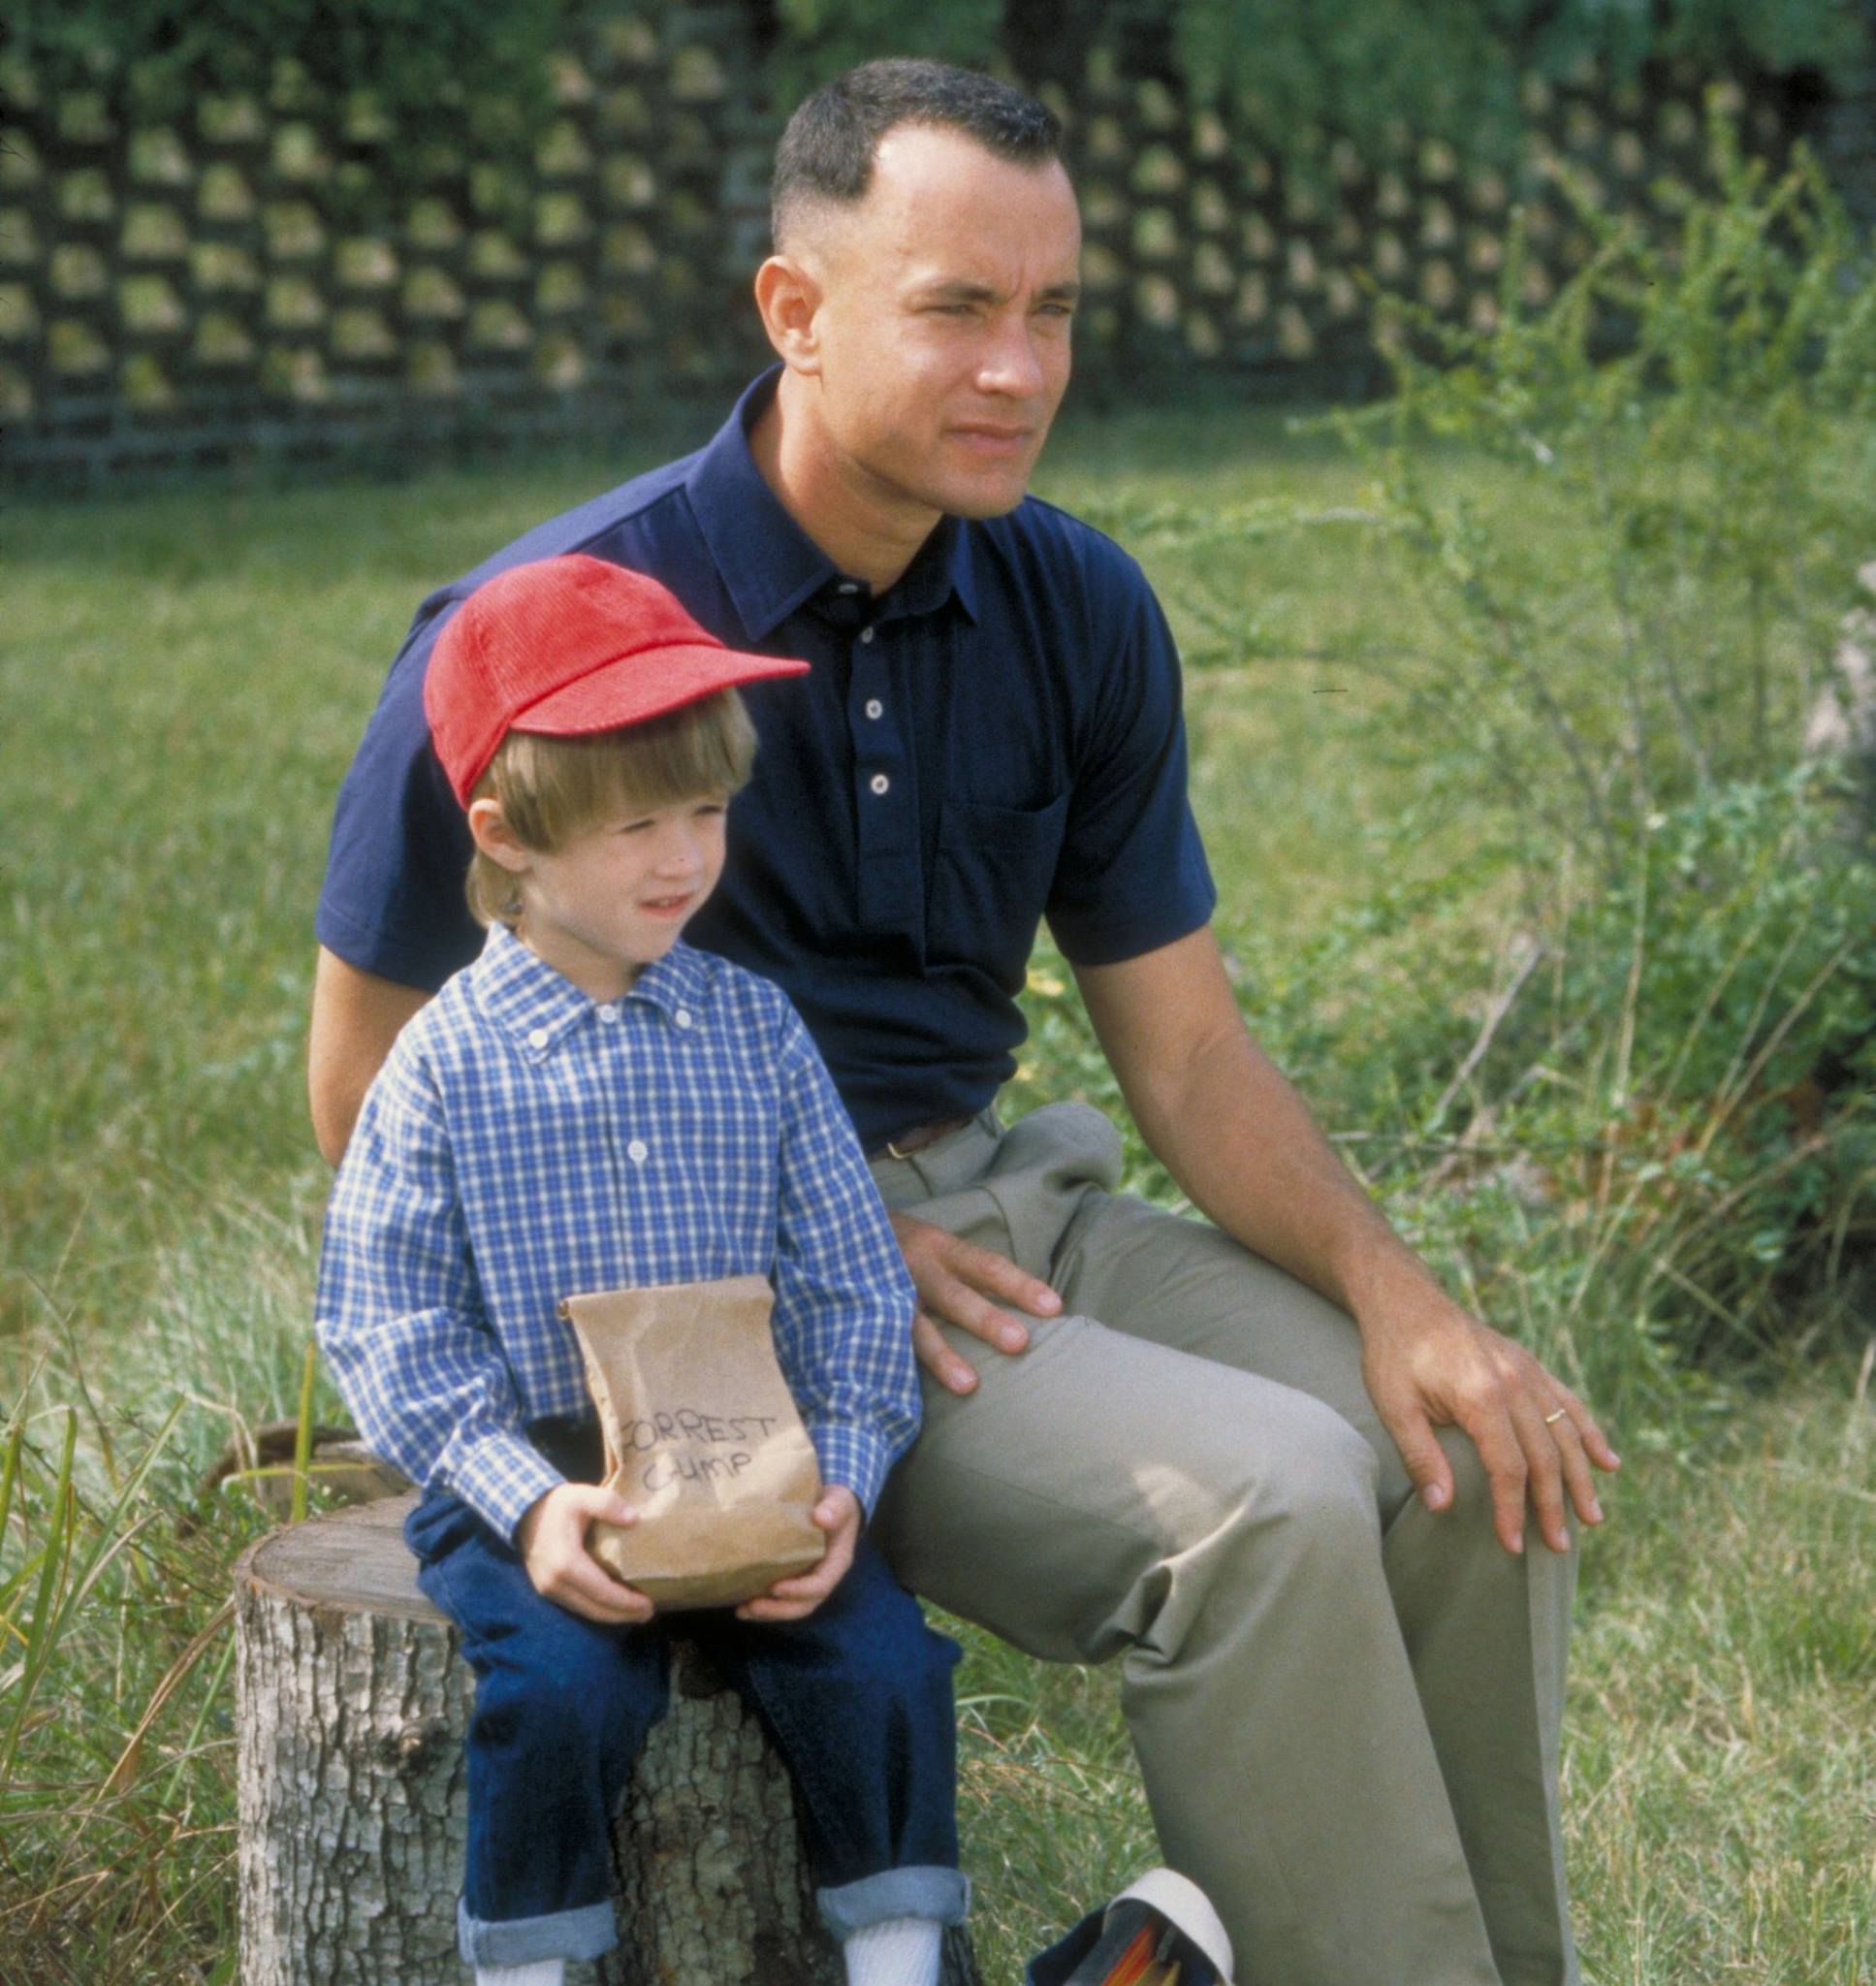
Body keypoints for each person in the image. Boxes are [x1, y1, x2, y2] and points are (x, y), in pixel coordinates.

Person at [309, 58, 1620, 1986]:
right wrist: (784, 1244)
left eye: (1053, 310)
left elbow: (1180, 1053)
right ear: (794, 311)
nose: (1017, 367)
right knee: (1256, 1509)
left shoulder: (1073, 603)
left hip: (1013, 1213)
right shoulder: (553, 632)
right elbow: (364, 1095)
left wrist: (1403, 1300)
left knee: (1457, 1458)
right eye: (955, 307)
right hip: (742, 1321)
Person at [315, 553, 970, 1986]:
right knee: (556, 1691)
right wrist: (527, 1503)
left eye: (705, 812)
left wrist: (848, 1466)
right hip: (542, 1467)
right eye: (632, 827)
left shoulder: (757, 1029)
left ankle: (904, 1958)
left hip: (748, 1448)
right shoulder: (444, 1062)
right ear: (509, 834)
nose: (682, 858)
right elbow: (385, 1319)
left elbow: (856, 1277)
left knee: (884, 1667)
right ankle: (530, 1970)